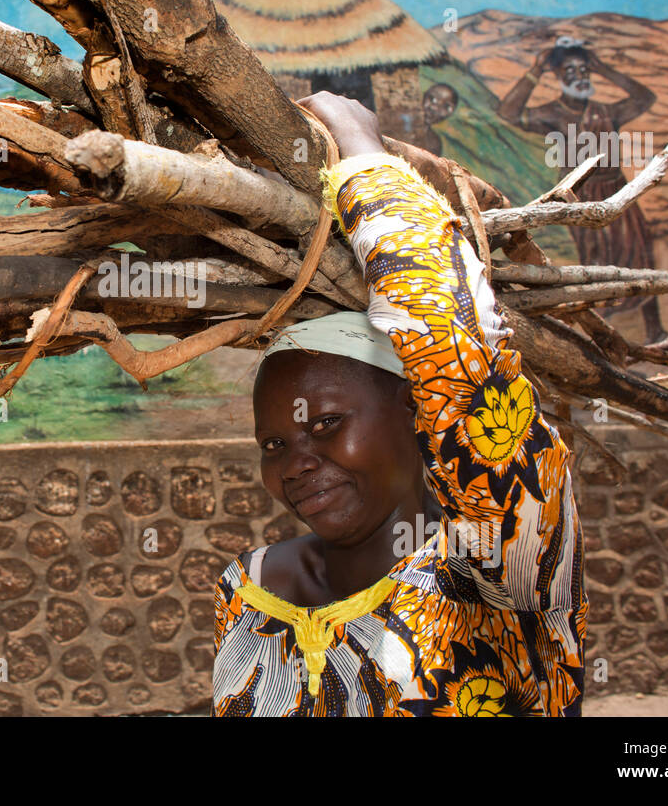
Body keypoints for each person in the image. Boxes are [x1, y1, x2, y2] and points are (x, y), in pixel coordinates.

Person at [212, 91, 585, 716]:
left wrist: (364, 156)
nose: (295, 464)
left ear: (420, 409)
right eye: (274, 444)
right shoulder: (249, 590)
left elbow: (449, 342)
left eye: (326, 425)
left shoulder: (502, 565)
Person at [497, 39, 668, 342]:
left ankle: (654, 329)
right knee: (589, 261)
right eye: (570, 70)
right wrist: (536, 70)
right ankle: (599, 337)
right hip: (577, 195)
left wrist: (603, 68)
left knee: (639, 250)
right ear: (558, 76)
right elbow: (508, 113)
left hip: (616, 189)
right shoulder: (552, 113)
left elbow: (645, 97)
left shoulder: (606, 111)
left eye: (584, 69)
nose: (580, 75)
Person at [419, 83, 458, 157]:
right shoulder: (396, 122)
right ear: (423, 96)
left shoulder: (434, 143)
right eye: (432, 99)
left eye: (446, 107)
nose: (435, 108)